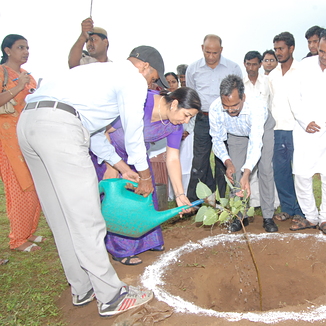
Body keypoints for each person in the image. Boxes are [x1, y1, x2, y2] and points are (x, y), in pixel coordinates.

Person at [17, 45, 168, 317]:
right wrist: (145, 175)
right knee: (87, 218)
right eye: (154, 78)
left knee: (62, 216)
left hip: (30, 124)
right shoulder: (132, 78)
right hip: (59, 128)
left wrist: (123, 167)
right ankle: (111, 297)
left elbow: (91, 132)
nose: (152, 85)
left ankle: (83, 287)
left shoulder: (98, 73)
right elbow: (134, 132)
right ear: (144, 66)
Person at [95, 87, 201, 265]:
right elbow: (102, 131)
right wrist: (112, 166)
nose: (186, 120)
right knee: (120, 203)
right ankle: (121, 249)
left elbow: (173, 158)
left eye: (190, 117)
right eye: (186, 114)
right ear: (174, 104)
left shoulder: (175, 124)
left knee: (145, 196)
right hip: (111, 154)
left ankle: (148, 242)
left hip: (138, 159)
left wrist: (180, 195)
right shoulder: (140, 103)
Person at [209, 74, 277, 232]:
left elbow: (255, 142)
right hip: (236, 134)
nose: (230, 110)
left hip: (262, 129)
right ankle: (240, 216)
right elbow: (217, 139)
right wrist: (228, 162)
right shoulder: (215, 109)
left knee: (265, 169)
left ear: (243, 97)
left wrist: (248, 172)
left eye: (234, 105)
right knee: (236, 174)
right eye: (226, 106)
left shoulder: (257, 106)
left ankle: (268, 217)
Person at [186, 34, 242, 202]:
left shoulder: (233, 68)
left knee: (223, 162)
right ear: (202, 48)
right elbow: (190, 99)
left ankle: (225, 200)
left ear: (221, 50)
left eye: (215, 53)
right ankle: (198, 202)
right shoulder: (193, 69)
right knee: (200, 161)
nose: (211, 56)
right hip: (202, 120)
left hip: (226, 120)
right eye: (207, 52)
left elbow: (239, 96)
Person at [0, 34, 42, 252]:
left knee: (33, 185)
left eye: (27, 47)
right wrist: (18, 87)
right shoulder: (2, 72)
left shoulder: (28, 76)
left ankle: (28, 231)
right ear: (7, 50)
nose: (25, 51)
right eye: (20, 47)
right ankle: (17, 239)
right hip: (7, 139)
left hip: (27, 136)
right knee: (18, 187)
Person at [289, 29, 326, 231]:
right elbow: (293, 97)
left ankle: (325, 218)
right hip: (305, 130)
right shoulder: (304, 66)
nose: (323, 56)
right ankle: (311, 217)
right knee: (302, 175)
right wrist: (305, 121)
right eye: (321, 51)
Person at [268, 32, 304, 222]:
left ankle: (301, 210)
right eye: (275, 49)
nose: (278, 53)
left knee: (298, 172)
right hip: (277, 129)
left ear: (292, 48)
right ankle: (288, 208)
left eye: (281, 48)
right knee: (281, 172)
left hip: (297, 129)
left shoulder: (302, 71)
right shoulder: (272, 75)